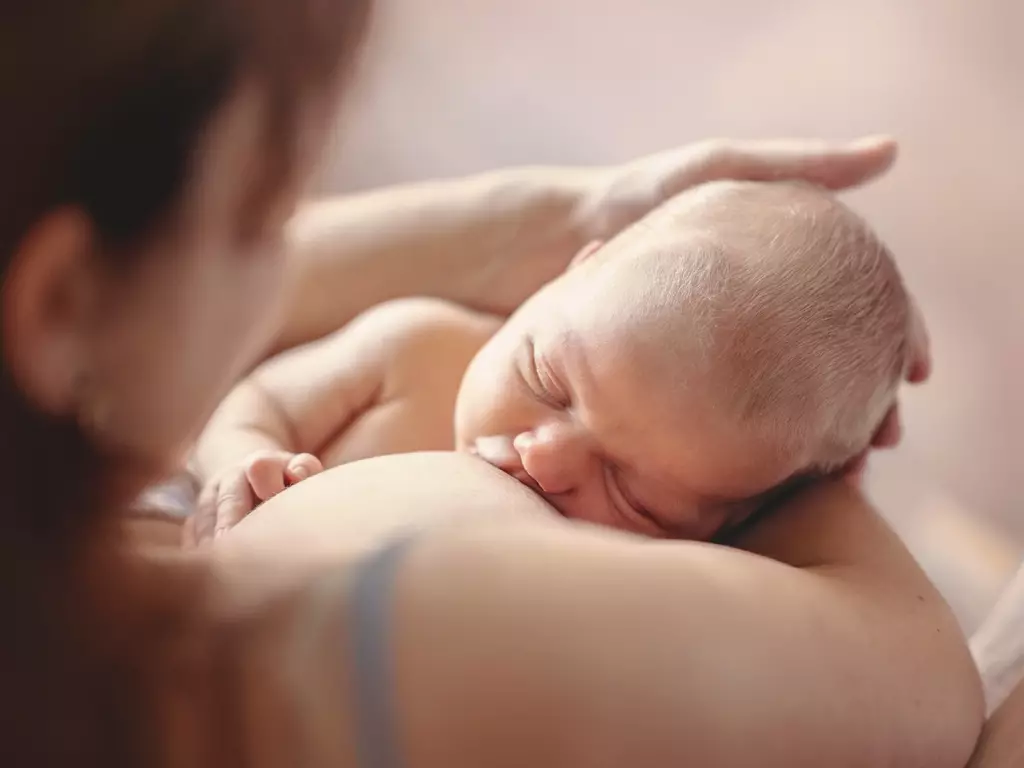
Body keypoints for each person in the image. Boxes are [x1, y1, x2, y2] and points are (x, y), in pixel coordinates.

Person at [0, 1, 984, 766]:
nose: (545, 455)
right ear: (62, 304)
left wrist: (557, 232)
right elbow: (930, 682)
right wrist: (807, 467)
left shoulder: (75, 541)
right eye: (268, 218)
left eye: (640, 494)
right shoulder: (406, 624)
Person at [194, 180, 915, 541]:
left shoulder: (655, 574)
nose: (544, 459)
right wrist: (241, 460)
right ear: (568, 272)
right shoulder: (418, 349)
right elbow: (262, 400)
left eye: (639, 499)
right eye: (547, 381)